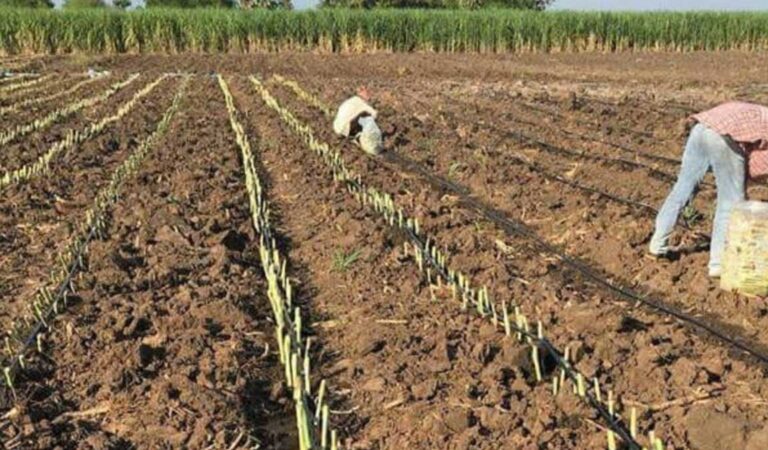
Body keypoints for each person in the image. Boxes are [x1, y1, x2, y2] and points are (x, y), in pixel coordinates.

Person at [649, 101, 768, 277]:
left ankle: (657, 245)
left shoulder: (760, 113)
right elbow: (758, 166)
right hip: (722, 138)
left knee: (683, 188)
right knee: (731, 201)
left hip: (701, 130)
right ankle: (718, 263)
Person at [333, 87, 383, 155]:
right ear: (360, 93)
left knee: (361, 117)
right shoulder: (361, 102)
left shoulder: (351, 100)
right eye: (366, 93)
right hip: (345, 128)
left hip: (337, 127)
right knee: (367, 117)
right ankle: (369, 144)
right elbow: (374, 114)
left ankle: (353, 135)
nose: (369, 95)